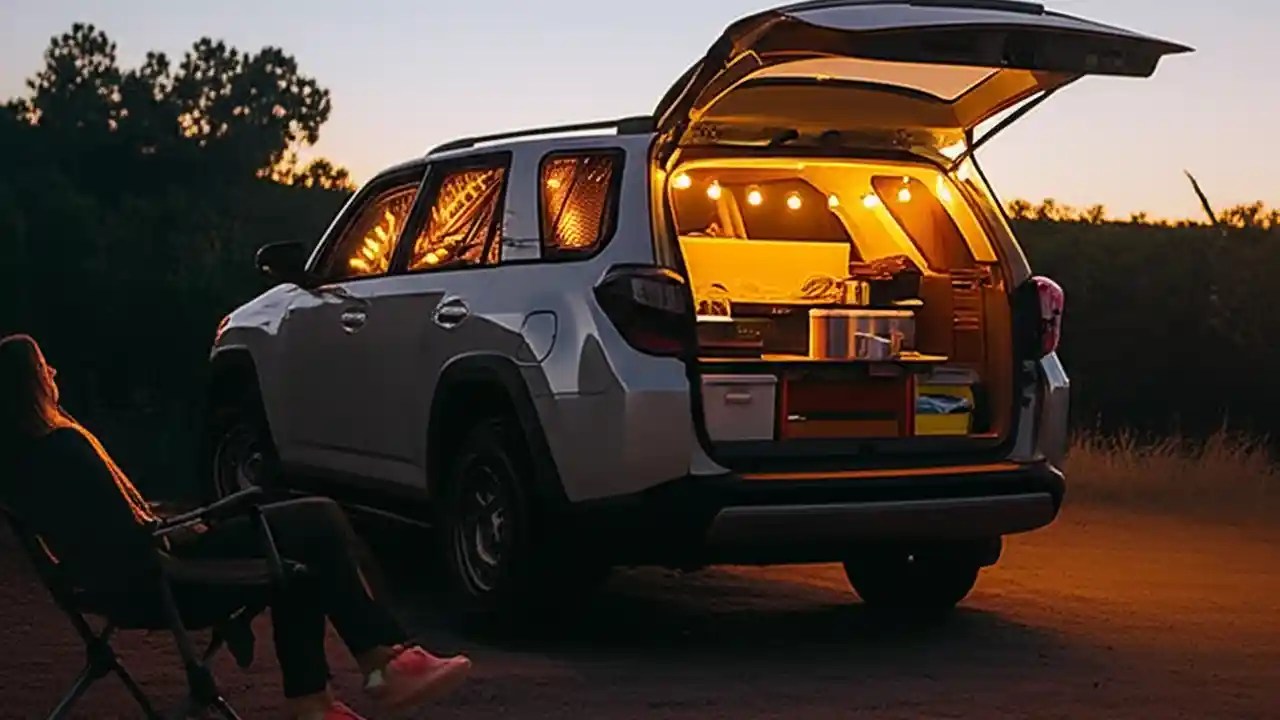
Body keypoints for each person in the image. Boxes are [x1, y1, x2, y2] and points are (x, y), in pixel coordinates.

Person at [0, 334, 470, 720]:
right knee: (317, 516)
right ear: (30, 384)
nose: (54, 373)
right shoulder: (65, 446)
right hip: (164, 578)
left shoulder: (24, 466)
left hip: (120, 584)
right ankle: (378, 662)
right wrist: (194, 526)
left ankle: (318, 703)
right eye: (45, 367)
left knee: (299, 561)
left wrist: (180, 522)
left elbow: (111, 531)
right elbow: (138, 534)